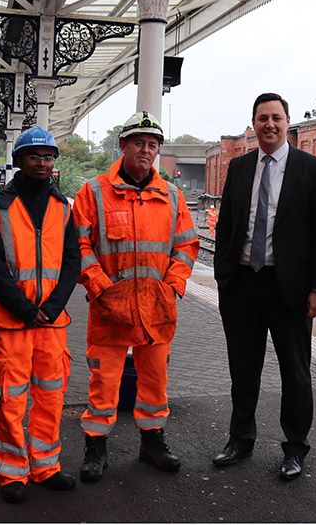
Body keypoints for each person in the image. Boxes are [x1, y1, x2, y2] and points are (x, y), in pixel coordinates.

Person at [212, 92, 316, 481]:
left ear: (287, 121)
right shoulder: (240, 167)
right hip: (243, 285)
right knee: (242, 370)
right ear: (254, 123)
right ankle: (240, 439)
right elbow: (227, 225)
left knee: (295, 373)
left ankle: (295, 448)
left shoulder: (311, 169)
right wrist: (223, 276)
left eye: (276, 118)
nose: (270, 124)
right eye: (262, 118)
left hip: (291, 290)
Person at [71, 111, 199, 483]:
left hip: (156, 305)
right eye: (139, 143)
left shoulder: (171, 196)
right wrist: (99, 286)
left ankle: (152, 442)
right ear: (123, 145)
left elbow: (187, 246)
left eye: (153, 145)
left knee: (155, 378)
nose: (146, 150)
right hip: (111, 306)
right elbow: (78, 245)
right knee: (104, 381)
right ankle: (96, 448)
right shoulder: (93, 192)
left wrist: (172, 284)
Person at [0, 126, 81, 504]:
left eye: (49, 157)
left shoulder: (63, 207)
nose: (43, 163)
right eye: (35, 156)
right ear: (19, 161)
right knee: (12, 399)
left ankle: (46, 465)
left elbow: (73, 261)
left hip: (51, 322)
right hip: (12, 320)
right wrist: (25, 309)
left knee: (51, 396)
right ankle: (11, 472)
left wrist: (51, 308)